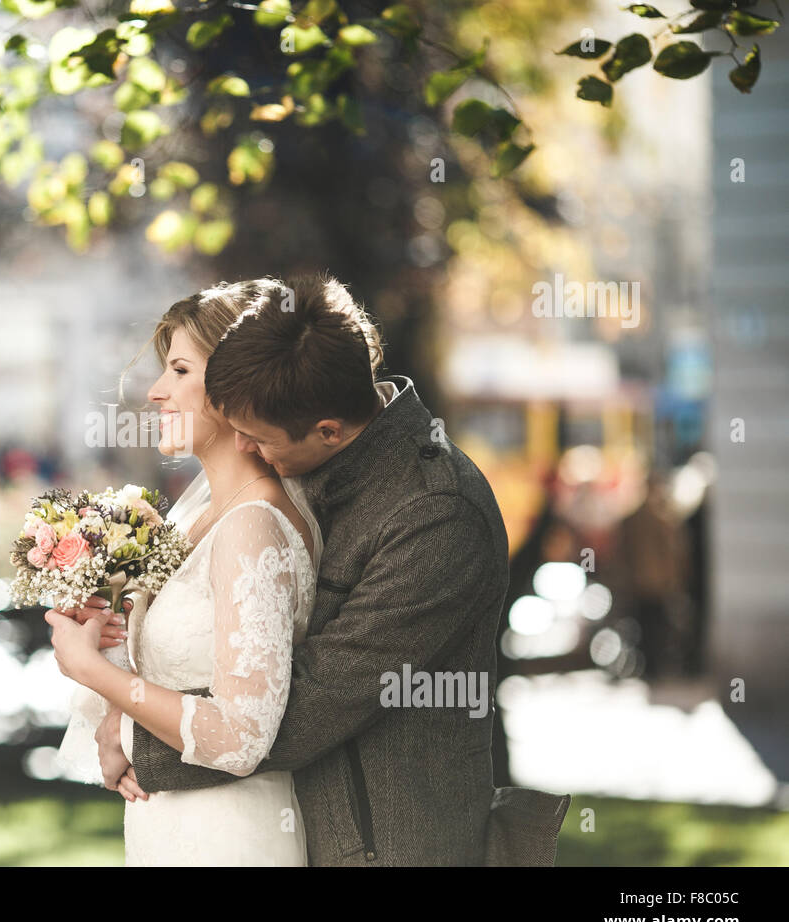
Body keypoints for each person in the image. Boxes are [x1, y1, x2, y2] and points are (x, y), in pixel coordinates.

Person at [49, 273, 569, 865]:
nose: (246, 448)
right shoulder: (300, 458)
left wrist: (130, 735)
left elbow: (308, 704)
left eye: (257, 437)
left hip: (389, 848)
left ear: (327, 431)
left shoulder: (435, 514)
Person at [48, 277, 321, 864]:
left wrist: (91, 670)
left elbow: (241, 736)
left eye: (178, 370)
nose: (154, 392)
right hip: (168, 828)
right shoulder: (195, 519)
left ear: (235, 388)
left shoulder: (254, 525)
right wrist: (110, 645)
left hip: (228, 835)